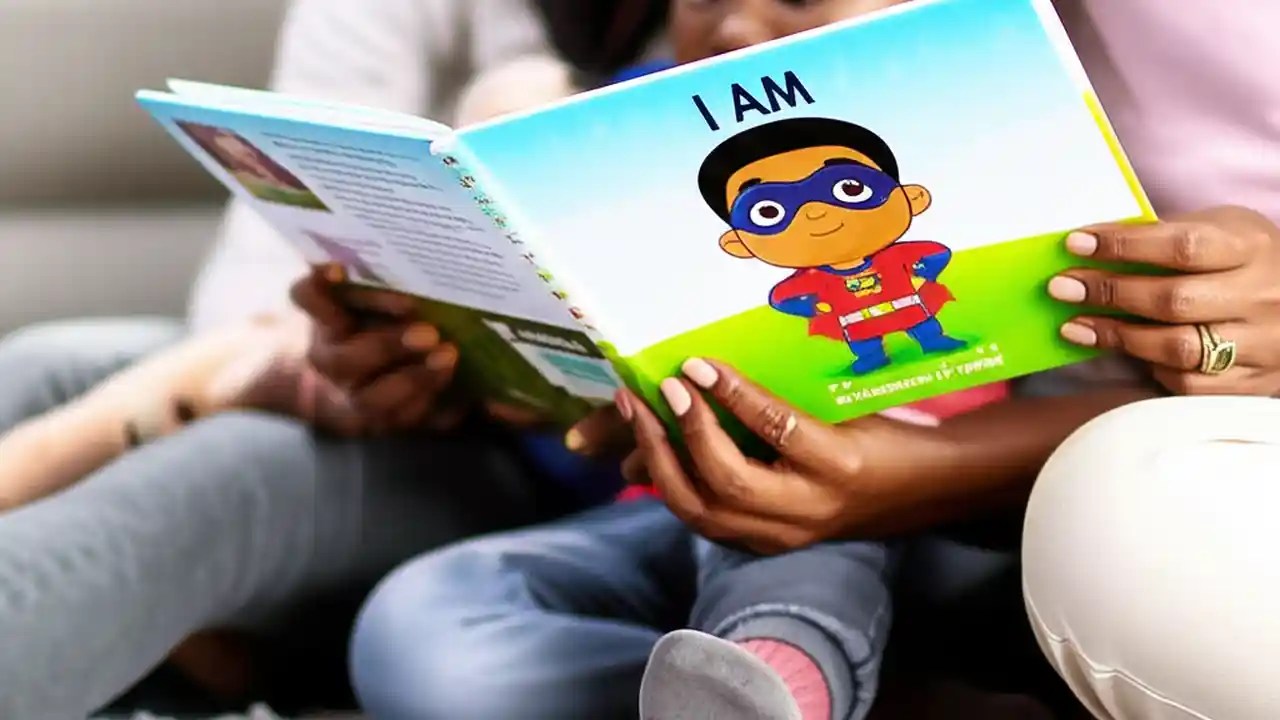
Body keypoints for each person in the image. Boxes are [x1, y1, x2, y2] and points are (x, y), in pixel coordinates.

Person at [350, 1, 1280, 719]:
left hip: (962, 515)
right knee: (422, 622)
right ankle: (820, 695)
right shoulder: (607, 153)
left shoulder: (1005, 147)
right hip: (677, 519)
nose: (738, 25)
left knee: (802, 536)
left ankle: (783, 677)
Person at [0, 1, 584, 717]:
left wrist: (156, 407)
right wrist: (297, 357)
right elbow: (256, 283)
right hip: (344, 367)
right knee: (45, 366)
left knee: (223, 470)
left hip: (518, 464)